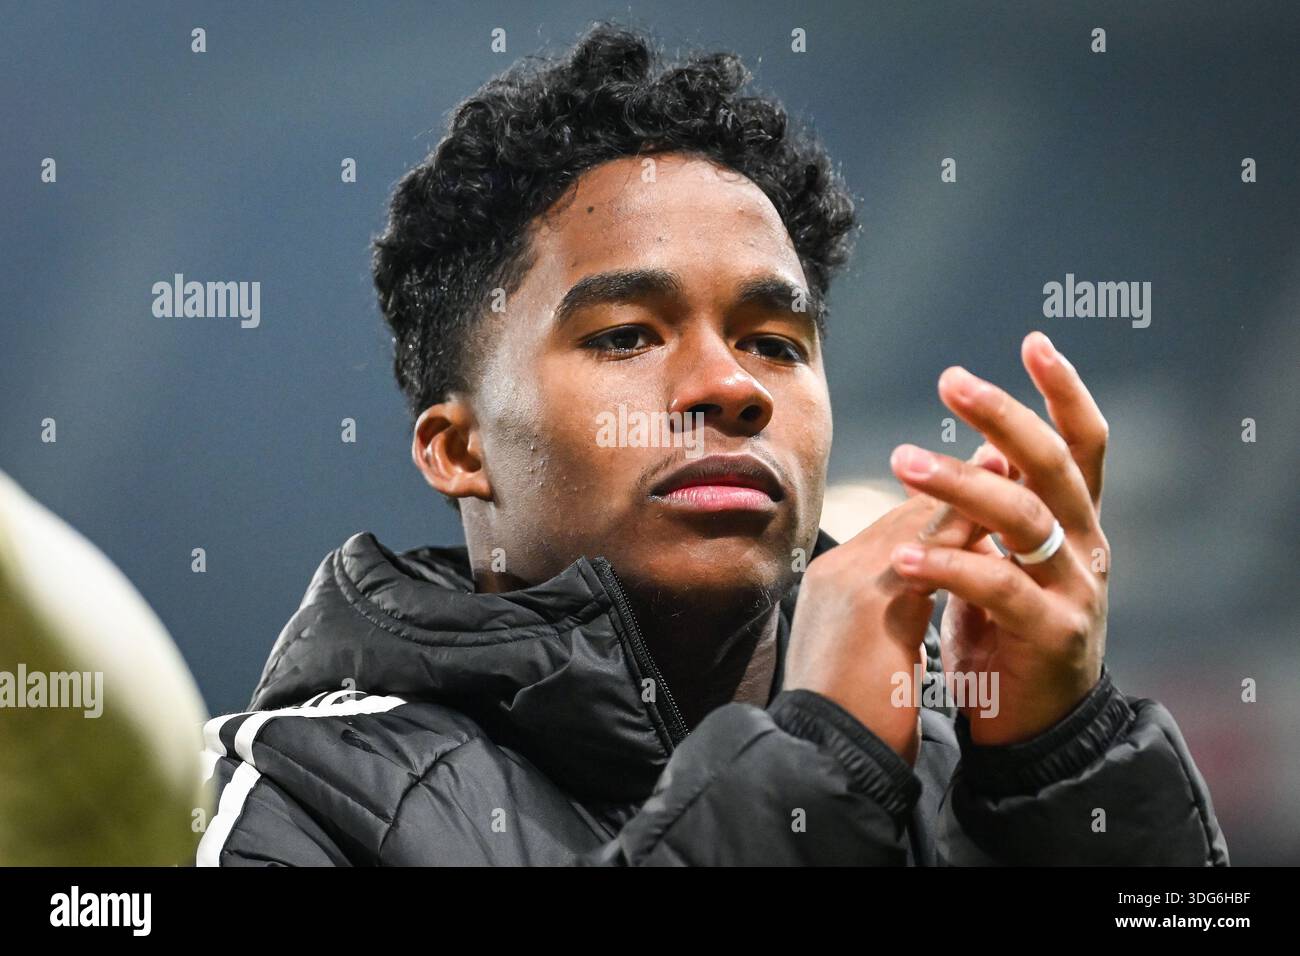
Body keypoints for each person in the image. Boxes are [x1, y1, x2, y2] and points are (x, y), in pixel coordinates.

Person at [197, 22, 1228, 866]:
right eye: (627, 336)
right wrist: (811, 777)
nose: (729, 387)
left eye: (773, 342)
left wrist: (1064, 765)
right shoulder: (294, 795)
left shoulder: (968, 755)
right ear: (458, 448)